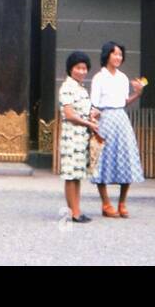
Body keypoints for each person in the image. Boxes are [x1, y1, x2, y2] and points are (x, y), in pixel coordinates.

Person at [88, 41, 146, 218]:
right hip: (104, 119)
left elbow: (123, 101)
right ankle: (106, 203)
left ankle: (122, 202)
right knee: (102, 160)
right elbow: (94, 104)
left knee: (126, 157)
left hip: (121, 118)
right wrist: (93, 122)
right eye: (115, 54)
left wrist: (137, 93)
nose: (118, 57)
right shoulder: (99, 77)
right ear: (107, 55)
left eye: (120, 54)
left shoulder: (122, 78)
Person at [58, 51, 101, 223]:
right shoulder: (67, 87)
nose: (82, 71)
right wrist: (89, 124)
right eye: (78, 68)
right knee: (71, 175)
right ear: (70, 69)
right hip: (72, 136)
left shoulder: (80, 88)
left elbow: (81, 111)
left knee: (77, 175)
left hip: (82, 136)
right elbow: (69, 114)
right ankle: (73, 212)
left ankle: (77, 209)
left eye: (84, 68)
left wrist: (92, 114)